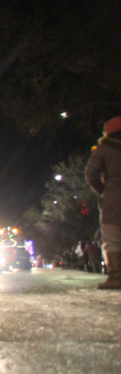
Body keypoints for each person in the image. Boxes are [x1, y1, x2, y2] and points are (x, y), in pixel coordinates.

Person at [84, 116, 121, 290]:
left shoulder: (104, 149)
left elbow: (91, 174)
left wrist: (103, 191)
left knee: (112, 239)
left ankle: (116, 277)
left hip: (114, 199)